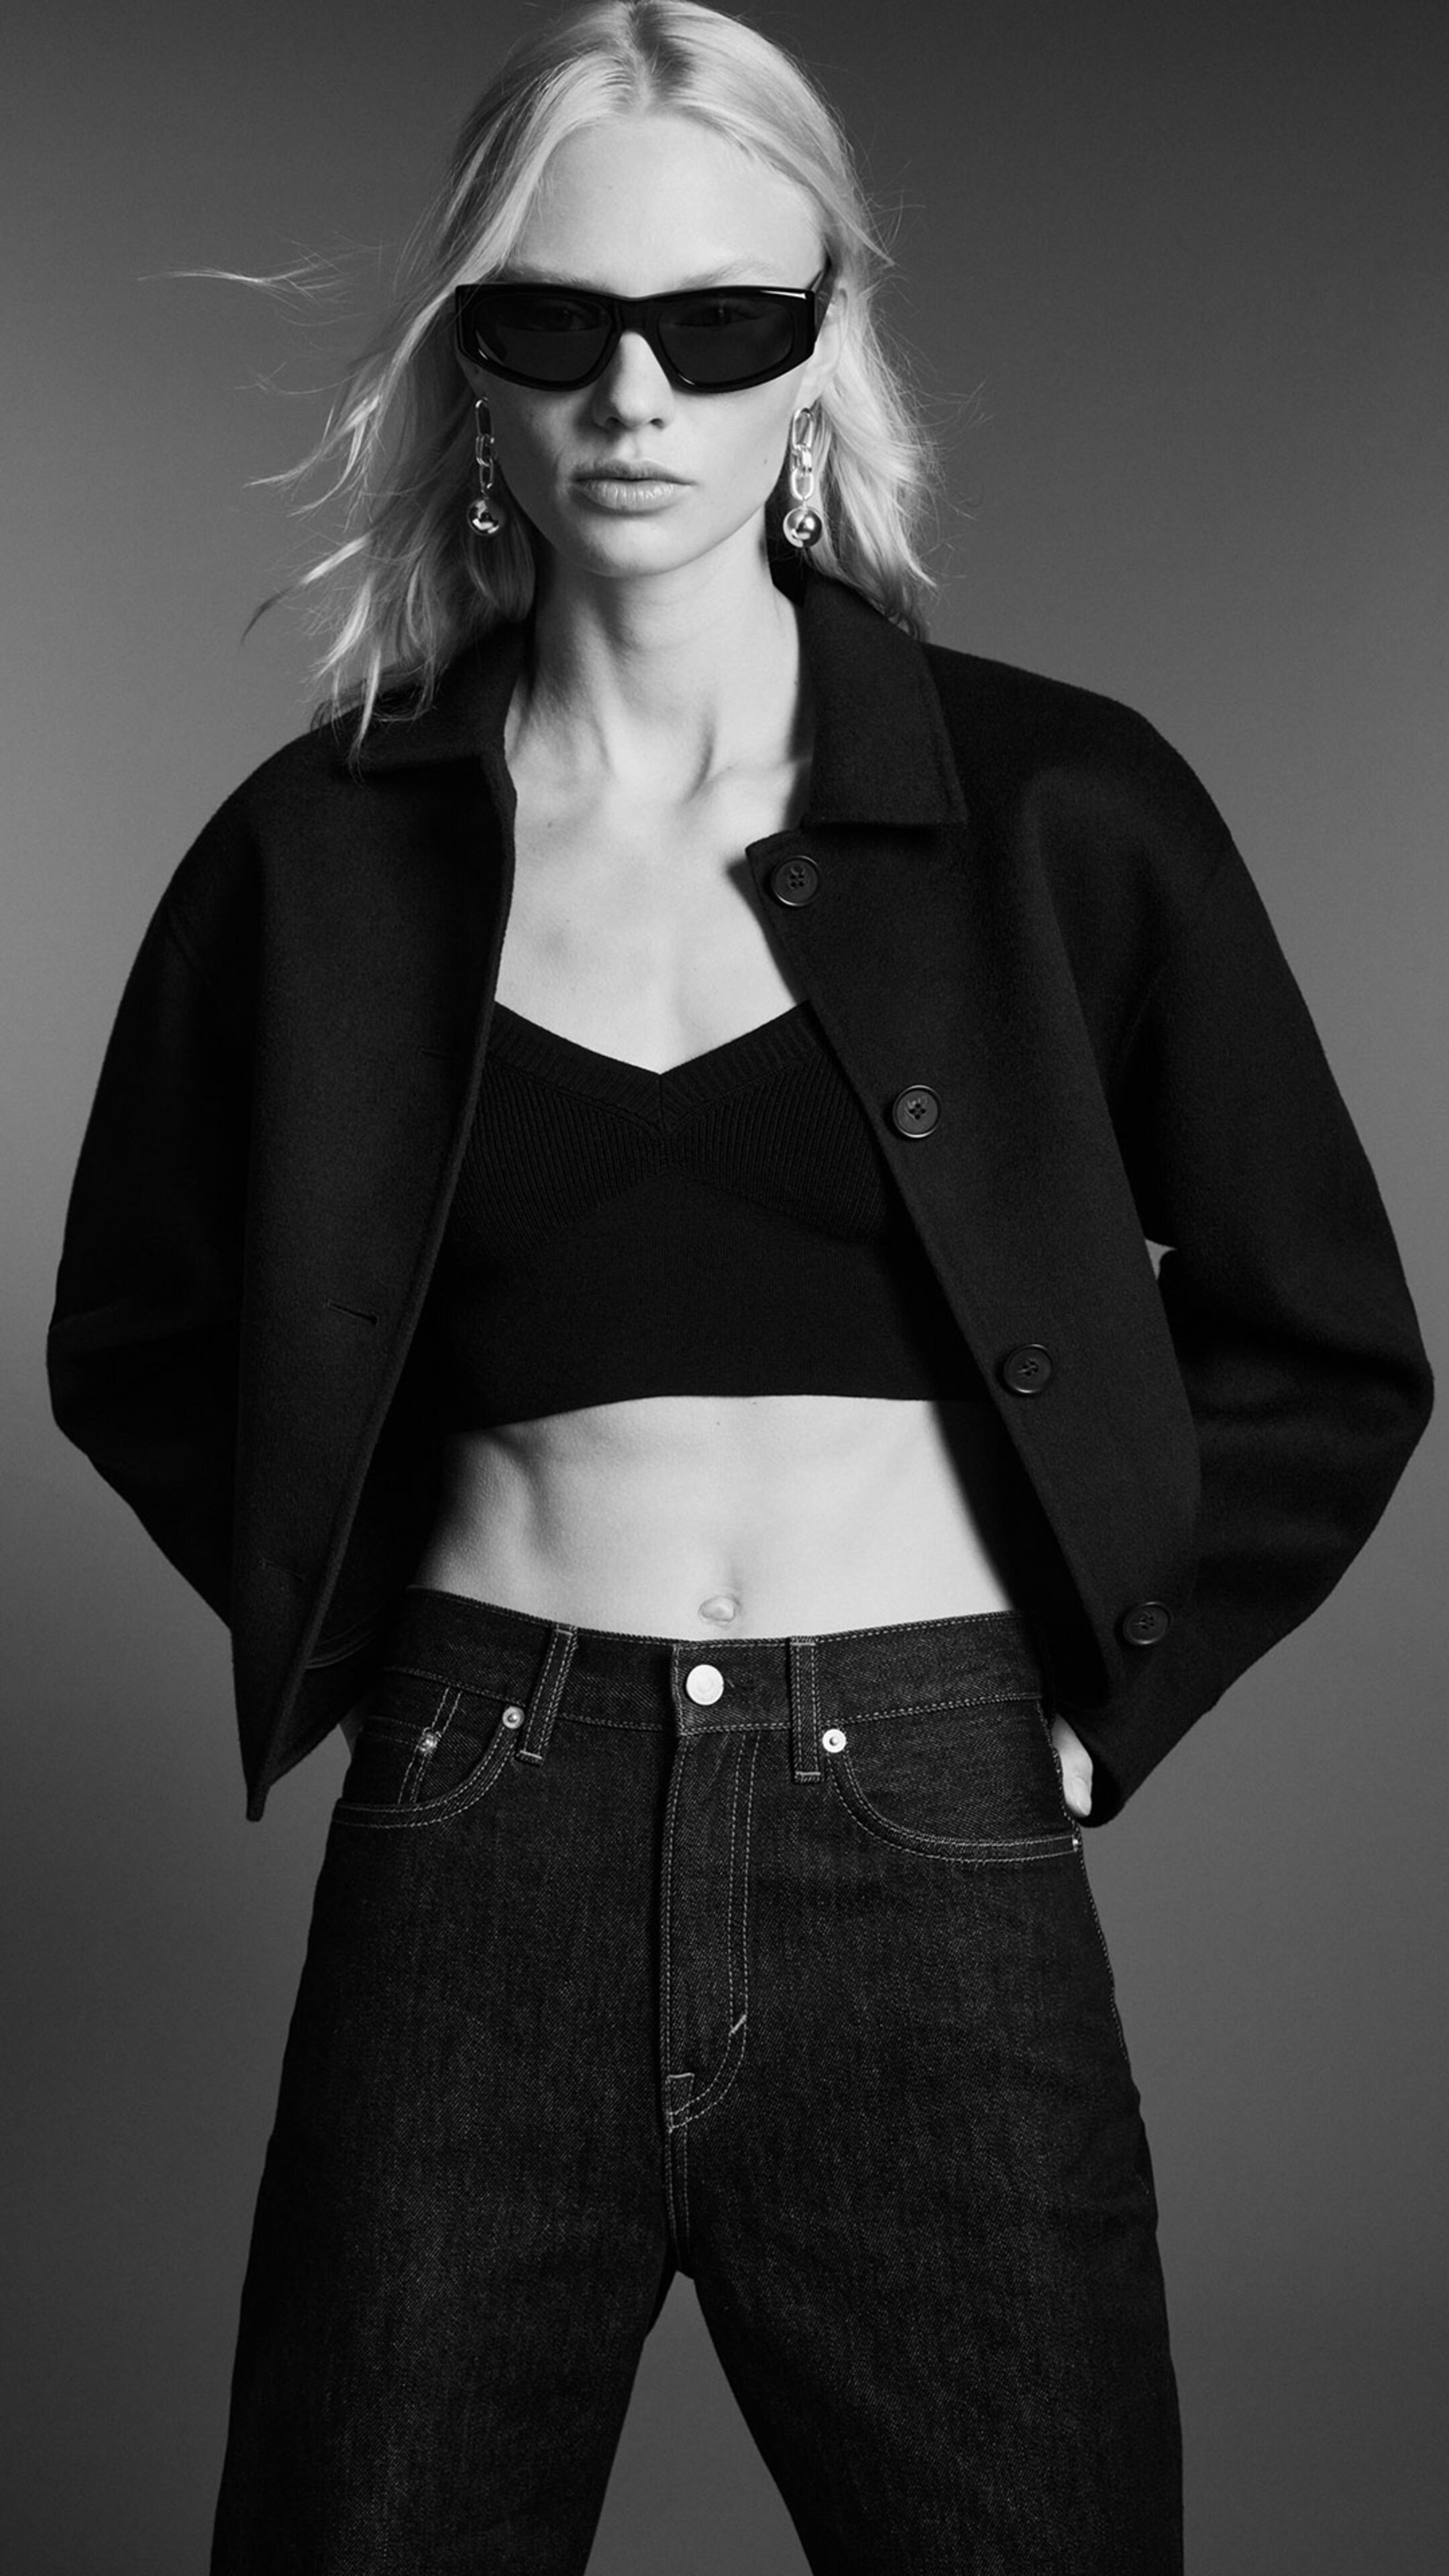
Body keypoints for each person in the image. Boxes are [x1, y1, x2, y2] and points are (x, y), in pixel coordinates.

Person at [46, 4, 1432, 2570]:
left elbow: (1324, 1332)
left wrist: (1084, 1701)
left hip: (933, 1820)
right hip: (479, 1830)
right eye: (556, 324)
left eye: (720, 323)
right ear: (471, 366)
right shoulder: (316, 854)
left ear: (823, 351)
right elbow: (133, 1330)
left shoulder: (1067, 809)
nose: (637, 397)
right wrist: (378, 1634)